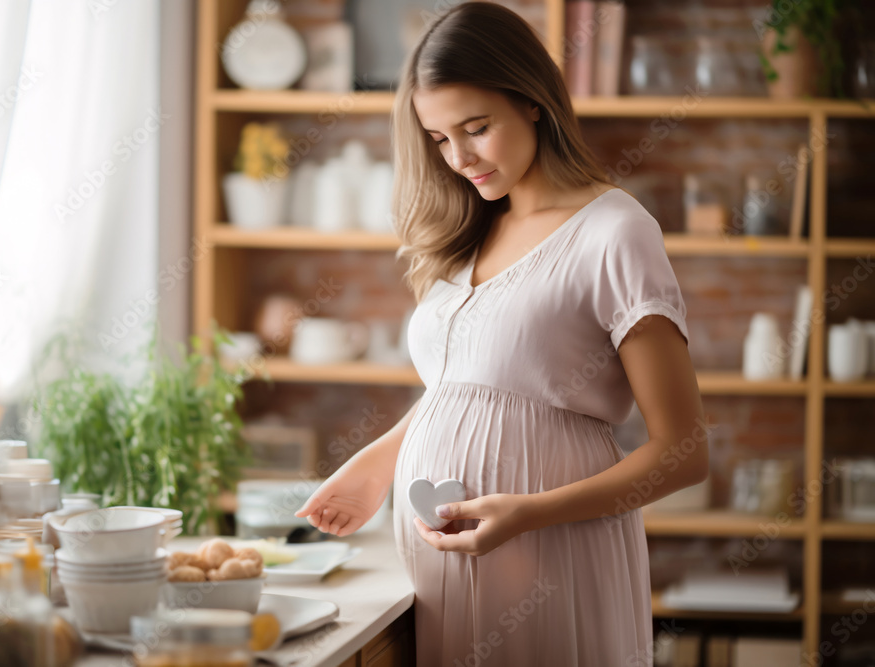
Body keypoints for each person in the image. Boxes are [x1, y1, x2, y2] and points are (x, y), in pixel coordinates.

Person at [295, 3, 707, 664]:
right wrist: (379, 463)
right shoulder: (470, 232)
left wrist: (529, 512)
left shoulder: (614, 232)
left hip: (552, 555)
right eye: (438, 138)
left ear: (532, 101)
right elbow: (468, 387)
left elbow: (684, 451)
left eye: (477, 128)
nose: (459, 157)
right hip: (445, 569)